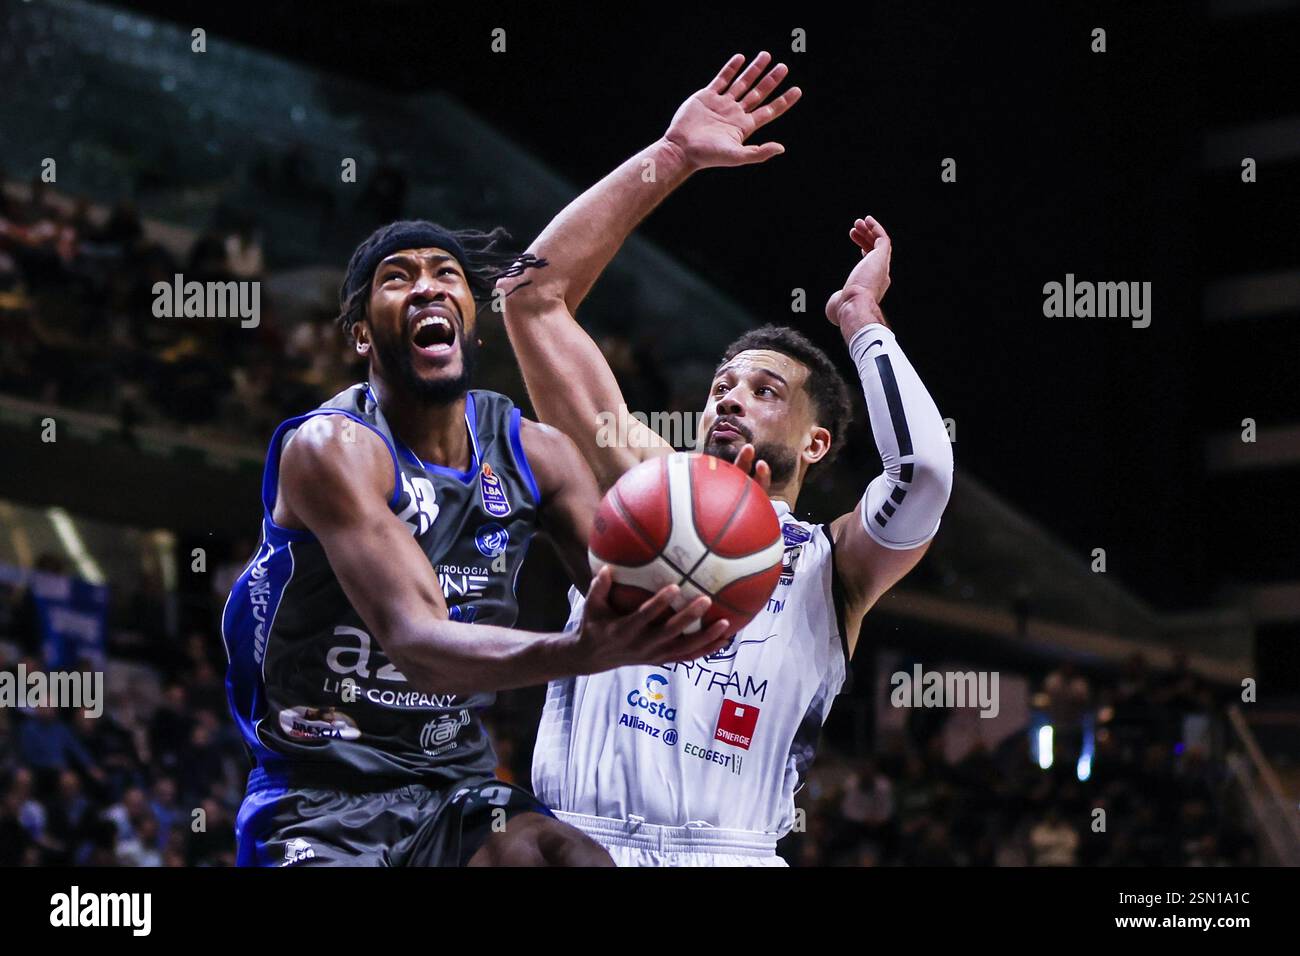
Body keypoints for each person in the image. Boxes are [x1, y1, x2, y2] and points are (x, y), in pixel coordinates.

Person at [501, 52, 954, 866]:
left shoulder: (832, 567)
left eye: (766, 390)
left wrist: (860, 319)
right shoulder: (639, 482)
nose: (731, 398)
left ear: (817, 443)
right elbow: (531, 297)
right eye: (721, 385)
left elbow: (923, 473)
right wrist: (669, 158)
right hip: (579, 846)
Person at [223, 221, 733, 867]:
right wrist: (579, 649)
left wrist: (728, 519)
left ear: (471, 324)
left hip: (455, 784)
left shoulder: (537, 453)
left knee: (566, 858)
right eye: (397, 277)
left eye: (446, 274)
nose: (426, 288)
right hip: (320, 792)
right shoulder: (333, 449)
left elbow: (634, 584)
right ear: (359, 335)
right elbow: (417, 644)